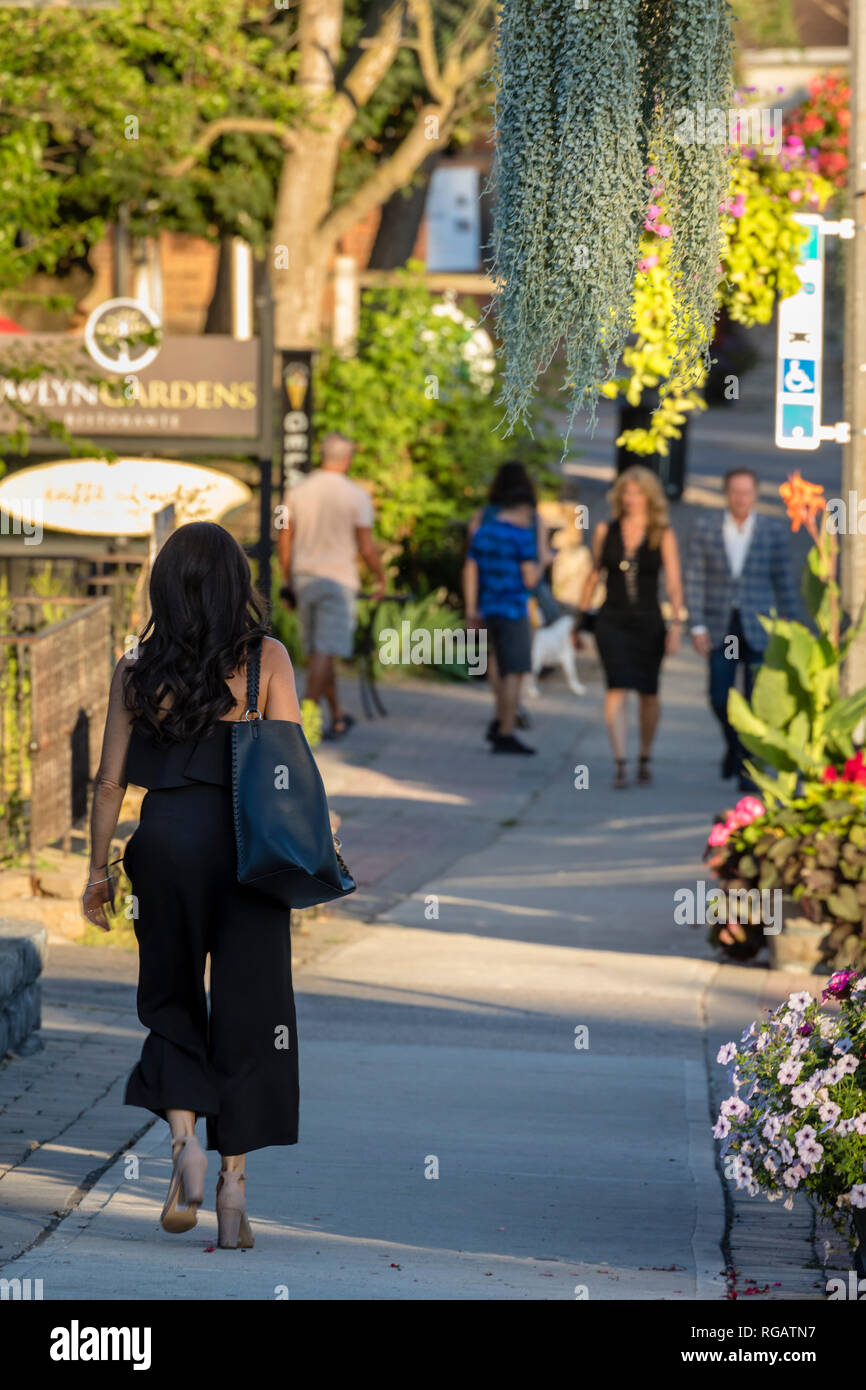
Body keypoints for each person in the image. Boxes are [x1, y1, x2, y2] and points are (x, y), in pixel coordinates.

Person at [82, 522, 305, 1250]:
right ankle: (234, 1188)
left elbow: (111, 778)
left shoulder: (137, 668)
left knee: (172, 997)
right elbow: (287, 768)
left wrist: (96, 870)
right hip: (248, 855)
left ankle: (185, 1147)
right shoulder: (265, 658)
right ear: (234, 585)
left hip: (166, 845)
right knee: (251, 1010)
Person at [685, 466, 798, 792]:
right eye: (735, 492)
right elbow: (695, 577)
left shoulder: (771, 531)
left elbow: (783, 580)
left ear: (755, 494)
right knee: (720, 695)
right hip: (722, 624)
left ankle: (749, 766)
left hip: (759, 625)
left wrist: (789, 626)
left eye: (746, 493)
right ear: (726, 494)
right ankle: (736, 748)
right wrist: (697, 625)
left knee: (756, 698)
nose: (740, 499)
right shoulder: (706, 527)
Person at [579, 465, 684, 788]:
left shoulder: (662, 533)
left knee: (648, 693)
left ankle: (645, 755)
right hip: (612, 619)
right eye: (626, 492)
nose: (631, 498)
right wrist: (580, 621)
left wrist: (677, 623)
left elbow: (674, 584)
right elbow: (594, 574)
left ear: (649, 498)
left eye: (637, 493)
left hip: (648, 622)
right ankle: (620, 761)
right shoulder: (604, 530)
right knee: (616, 688)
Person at [277, 432, 386, 739]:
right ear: (347, 459)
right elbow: (366, 546)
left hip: (304, 578)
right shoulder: (355, 494)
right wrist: (380, 577)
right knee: (326, 651)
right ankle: (303, 721)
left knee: (318, 653)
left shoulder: (297, 491)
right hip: (337, 581)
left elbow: (284, 537)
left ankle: (337, 716)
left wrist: (287, 580)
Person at [465, 462, 554, 744]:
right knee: (515, 667)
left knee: (496, 659)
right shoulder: (524, 531)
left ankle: (499, 712)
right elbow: (531, 576)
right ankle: (507, 726)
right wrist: (546, 562)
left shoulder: (484, 522)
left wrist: (471, 607)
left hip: (488, 602)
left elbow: (471, 564)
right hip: (515, 606)